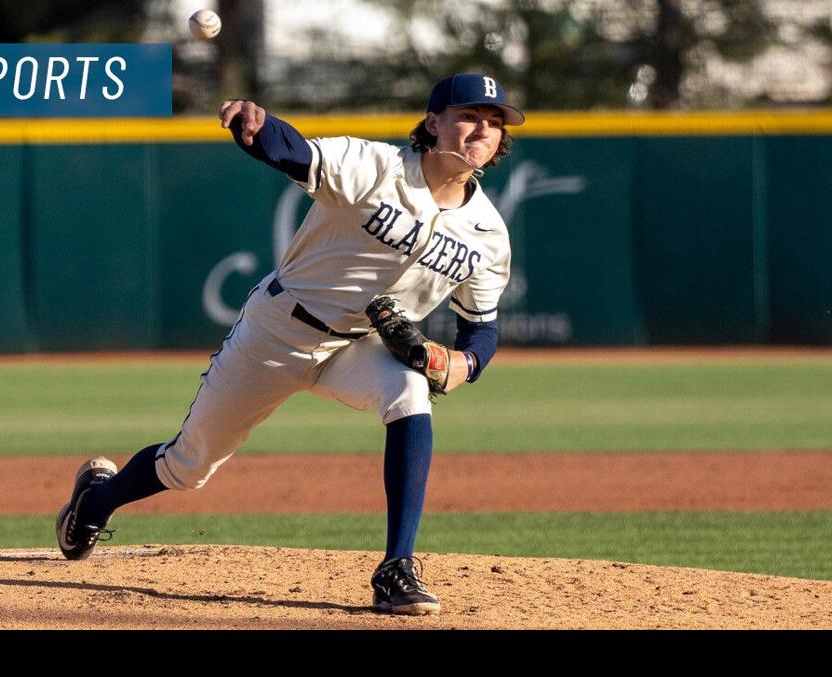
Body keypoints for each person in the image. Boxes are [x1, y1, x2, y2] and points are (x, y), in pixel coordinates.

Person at [55, 73, 523, 615]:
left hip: (359, 347)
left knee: (410, 392)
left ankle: (396, 568)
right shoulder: (375, 167)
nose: (482, 130)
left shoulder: (488, 233)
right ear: (434, 122)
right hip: (278, 331)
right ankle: (98, 499)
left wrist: (463, 364)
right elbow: (295, 153)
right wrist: (259, 128)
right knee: (190, 465)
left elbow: (481, 330)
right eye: (470, 116)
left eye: (494, 123)